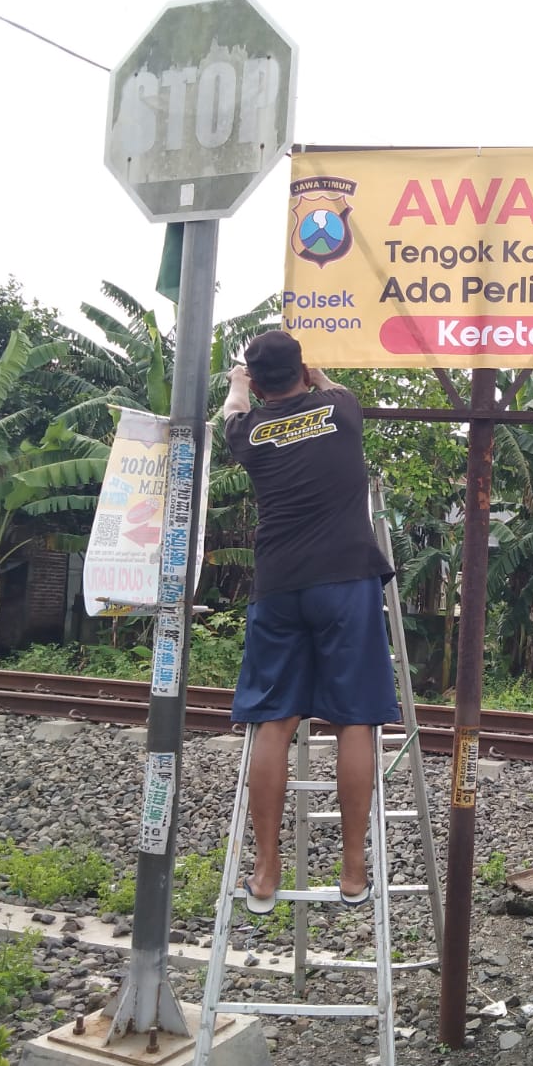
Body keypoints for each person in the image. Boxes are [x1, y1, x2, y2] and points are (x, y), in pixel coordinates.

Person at [222, 330, 399, 912]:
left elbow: (233, 412)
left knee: (273, 722)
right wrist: (316, 374)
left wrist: (237, 385)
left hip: (279, 588)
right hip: (346, 583)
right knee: (355, 720)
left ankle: (266, 873)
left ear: (256, 378)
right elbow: (335, 386)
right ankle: (352, 872)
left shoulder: (247, 435)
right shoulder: (340, 411)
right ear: (302, 369)